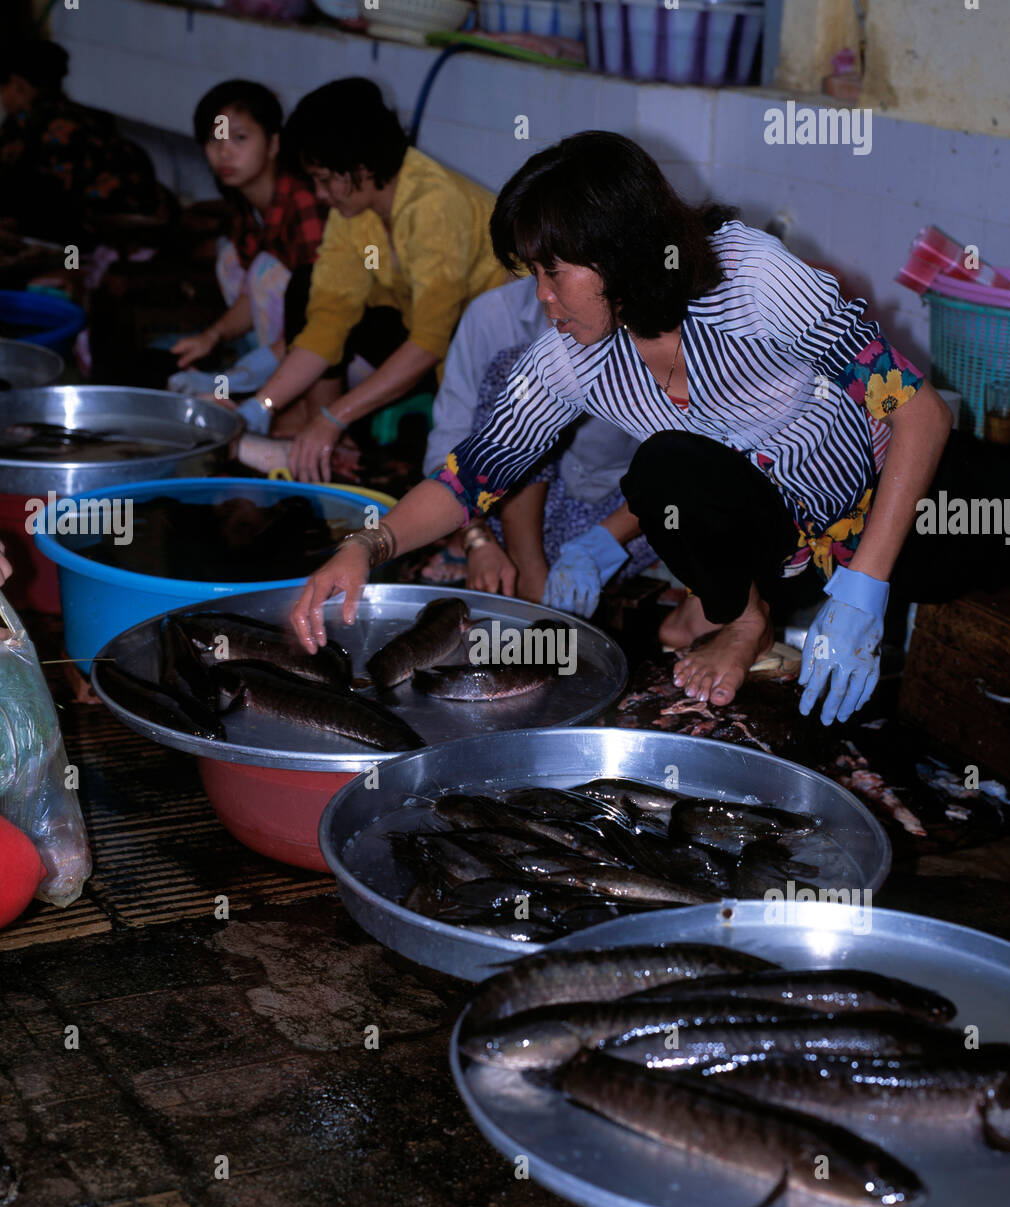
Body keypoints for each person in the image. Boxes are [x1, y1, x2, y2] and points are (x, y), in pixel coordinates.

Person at [289, 132, 962, 727]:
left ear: (619, 251)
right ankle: (743, 618)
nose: (541, 297)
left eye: (554, 272)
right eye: (534, 275)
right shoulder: (571, 357)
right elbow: (474, 475)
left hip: (896, 498)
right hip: (782, 548)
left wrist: (865, 590)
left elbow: (920, 412)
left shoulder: (751, 280)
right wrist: (366, 546)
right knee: (667, 468)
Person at [235, 79, 506, 481]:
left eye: (325, 179)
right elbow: (328, 318)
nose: (321, 193)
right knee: (309, 287)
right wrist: (260, 405)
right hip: (424, 333)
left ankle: (331, 434)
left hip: (494, 347)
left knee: (459, 471)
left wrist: (335, 415)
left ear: (360, 168)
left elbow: (430, 341)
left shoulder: (434, 205)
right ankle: (325, 448)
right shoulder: (356, 208)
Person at [419, 275, 654, 607]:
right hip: (513, 515)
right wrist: (477, 539)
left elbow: (686, 466)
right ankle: (522, 570)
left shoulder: (665, 333)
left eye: (557, 271)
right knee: (514, 372)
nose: (545, 293)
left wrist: (601, 542)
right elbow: (452, 455)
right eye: (537, 267)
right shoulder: (492, 316)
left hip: (623, 508)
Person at [168, 80, 327, 402]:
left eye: (239, 138)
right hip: (292, 339)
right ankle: (261, 368)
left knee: (266, 272)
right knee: (231, 258)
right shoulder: (246, 203)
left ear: (272, 144)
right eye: (215, 139)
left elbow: (324, 314)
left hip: (332, 346)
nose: (224, 152)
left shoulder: (305, 202)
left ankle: (283, 392)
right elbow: (248, 293)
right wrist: (211, 337)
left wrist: (239, 378)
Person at [0, 39, 158, 243]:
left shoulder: (42, 128)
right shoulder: (84, 116)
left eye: (3, 87)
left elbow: (47, 200)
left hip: (90, 228)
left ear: (18, 85)